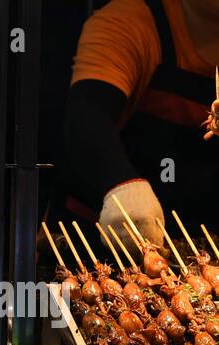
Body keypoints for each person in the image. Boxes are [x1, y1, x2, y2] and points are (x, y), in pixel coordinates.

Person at [64, 0, 219, 245]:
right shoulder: (129, 21)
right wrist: (123, 188)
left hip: (204, 249)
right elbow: (89, 120)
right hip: (100, 245)